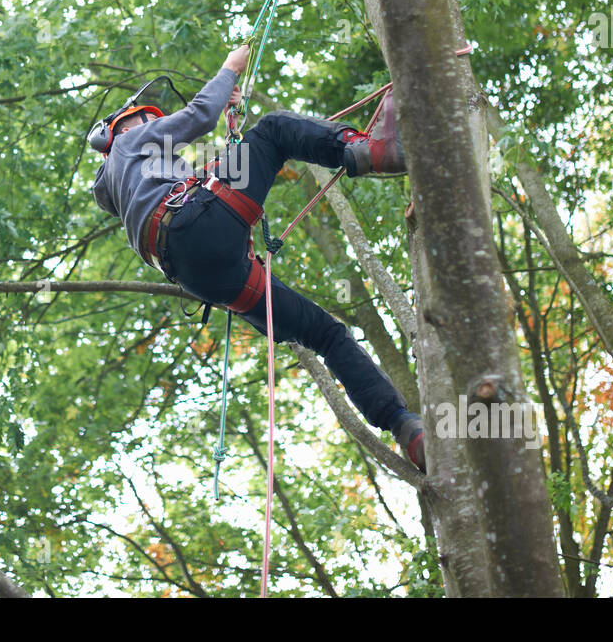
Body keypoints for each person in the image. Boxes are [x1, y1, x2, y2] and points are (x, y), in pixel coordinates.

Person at [90, 44, 426, 473]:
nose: (157, 123)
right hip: (197, 224)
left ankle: (405, 428)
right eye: (148, 119)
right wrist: (229, 69)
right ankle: (375, 151)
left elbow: (218, 175)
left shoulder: (135, 190)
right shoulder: (126, 146)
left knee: (326, 335)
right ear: (122, 129)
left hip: (207, 276)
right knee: (272, 131)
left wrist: (229, 150)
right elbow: (198, 116)